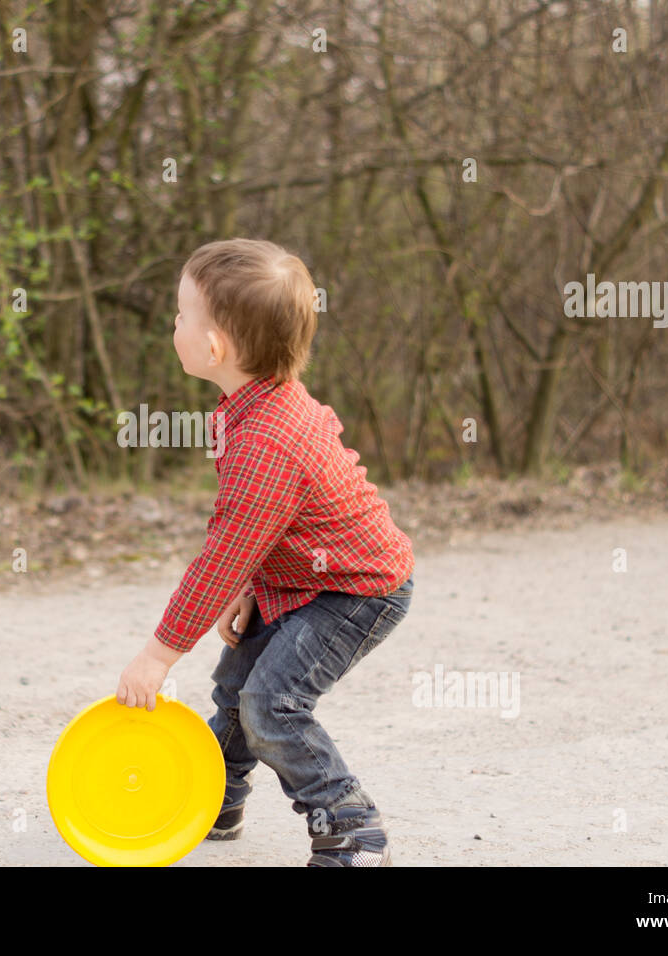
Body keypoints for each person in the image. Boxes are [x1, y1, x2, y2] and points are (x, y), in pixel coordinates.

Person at [115, 237, 415, 867]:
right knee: (236, 682)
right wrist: (252, 590)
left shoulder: (267, 437)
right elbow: (262, 526)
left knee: (270, 703)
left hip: (357, 591)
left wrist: (156, 656)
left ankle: (353, 829)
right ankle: (214, 798)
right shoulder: (253, 407)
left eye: (180, 315)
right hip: (303, 577)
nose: (174, 325)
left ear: (215, 346)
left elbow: (222, 553)